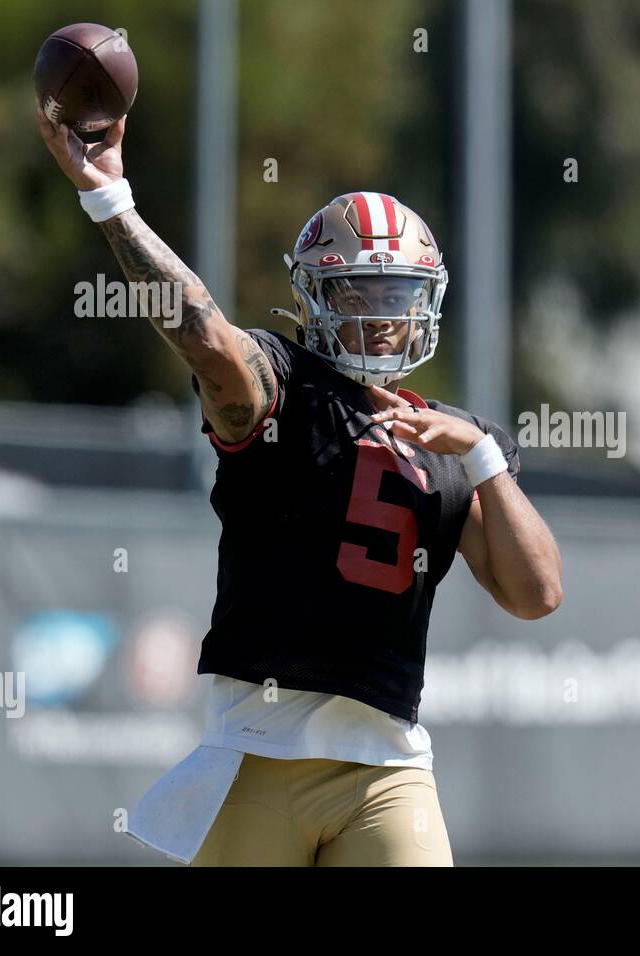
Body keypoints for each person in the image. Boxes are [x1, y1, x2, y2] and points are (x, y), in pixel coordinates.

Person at [36, 108, 563, 866]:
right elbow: (202, 333)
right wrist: (112, 202)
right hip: (256, 752)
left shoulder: (458, 441)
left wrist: (483, 458)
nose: (383, 318)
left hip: (389, 769)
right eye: (359, 292)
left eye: (398, 293)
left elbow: (535, 593)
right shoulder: (281, 388)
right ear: (317, 296)